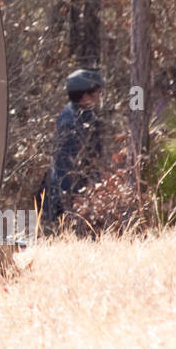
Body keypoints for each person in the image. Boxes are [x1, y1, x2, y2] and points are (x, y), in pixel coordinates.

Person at [40, 69, 105, 231]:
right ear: (84, 96)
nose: (99, 96)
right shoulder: (70, 122)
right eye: (96, 92)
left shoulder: (86, 116)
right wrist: (73, 201)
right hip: (66, 200)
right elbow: (65, 167)